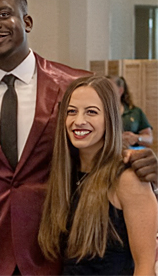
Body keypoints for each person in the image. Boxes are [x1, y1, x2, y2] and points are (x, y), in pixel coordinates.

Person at [0, 0, 157, 275]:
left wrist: (142, 162)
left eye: (3, 14)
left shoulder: (74, 86)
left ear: (27, 22)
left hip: (53, 255)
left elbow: (104, 154)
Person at [38, 76, 157, 275]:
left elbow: (145, 267)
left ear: (109, 119)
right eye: (71, 111)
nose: (79, 121)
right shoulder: (65, 176)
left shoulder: (127, 179)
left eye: (91, 112)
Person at [109, 76, 152, 148]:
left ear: (120, 91)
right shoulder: (100, 112)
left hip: (133, 151)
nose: (105, 91)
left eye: (109, 88)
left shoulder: (135, 111)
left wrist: (137, 138)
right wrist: (118, 139)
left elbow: (149, 139)